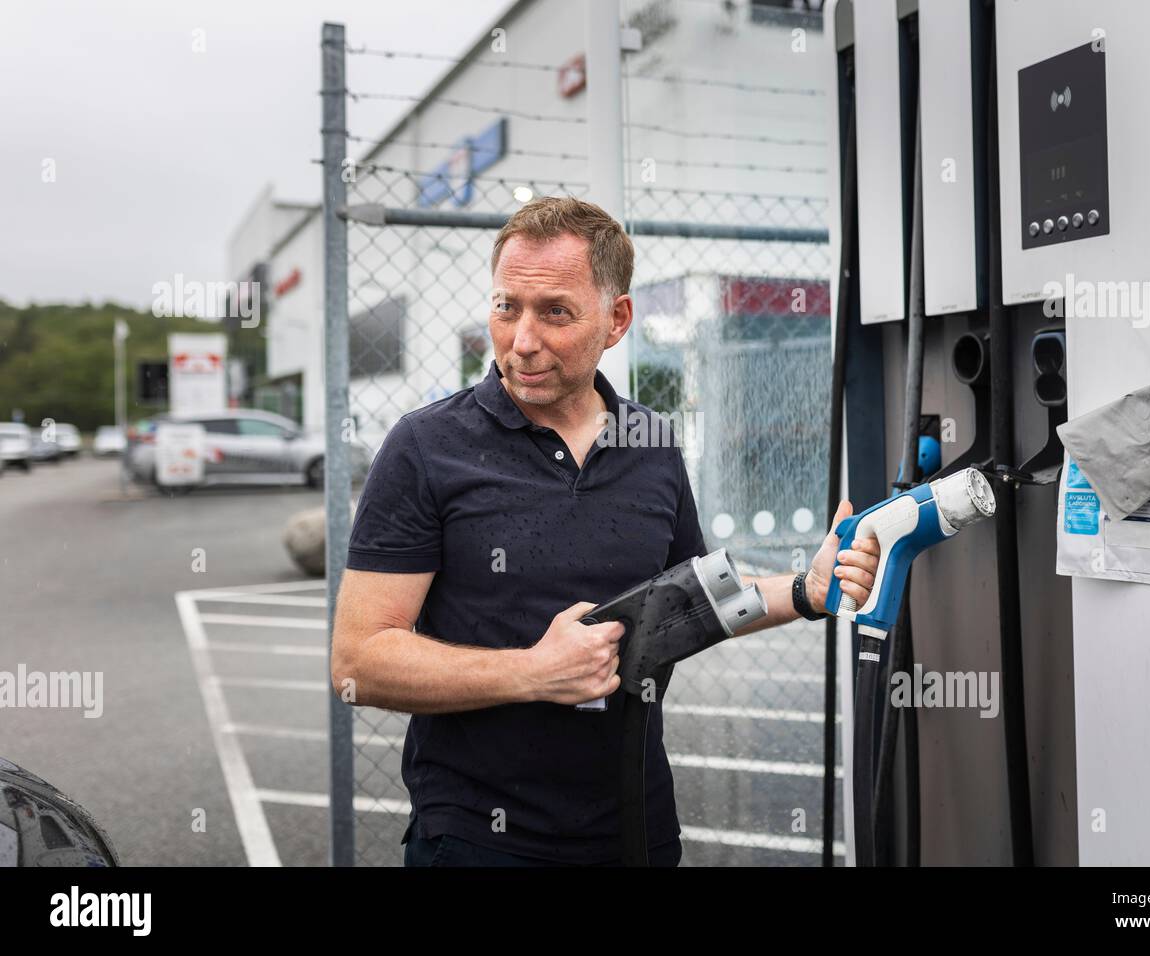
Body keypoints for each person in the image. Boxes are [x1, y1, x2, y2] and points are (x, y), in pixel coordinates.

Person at [331, 196, 879, 867]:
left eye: (554, 312)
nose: (522, 340)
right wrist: (534, 673)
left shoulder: (650, 443)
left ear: (617, 319)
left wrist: (805, 589)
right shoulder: (426, 446)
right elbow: (358, 660)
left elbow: (690, 600)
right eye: (507, 307)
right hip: (479, 840)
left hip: (635, 828)